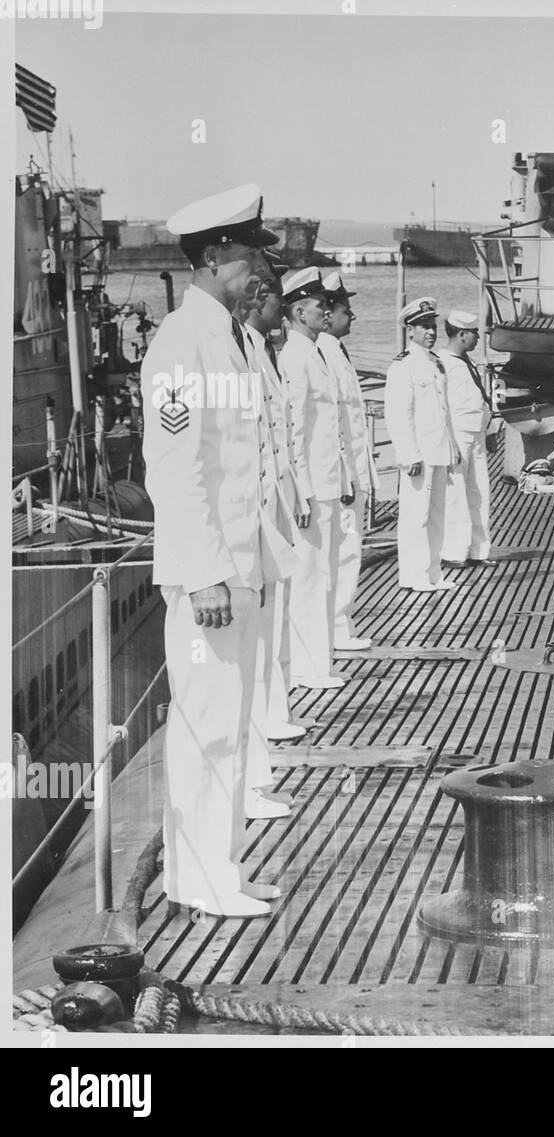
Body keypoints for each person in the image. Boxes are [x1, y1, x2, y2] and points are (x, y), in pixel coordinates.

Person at [141, 183, 294, 918]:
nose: (258, 267)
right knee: (205, 724)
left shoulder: (235, 336)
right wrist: (204, 574)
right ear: (213, 256)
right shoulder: (180, 342)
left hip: (241, 568)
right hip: (209, 577)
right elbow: (175, 471)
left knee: (231, 722)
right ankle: (198, 877)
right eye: (246, 253)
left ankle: (219, 867)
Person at [243, 257, 310, 808]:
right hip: (249, 525)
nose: (279, 309)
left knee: (272, 630)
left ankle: (271, 718)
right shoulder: (237, 351)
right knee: (250, 646)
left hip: (273, 511)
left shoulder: (262, 353)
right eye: (273, 298)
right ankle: (247, 778)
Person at [282, 267, 358, 689]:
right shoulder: (295, 357)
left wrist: (343, 479)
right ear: (298, 311)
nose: (325, 313)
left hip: (329, 484)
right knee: (310, 580)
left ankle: (320, 663)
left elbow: (332, 429)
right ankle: (306, 669)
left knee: (324, 577)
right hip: (312, 490)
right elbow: (293, 433)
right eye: (318, 307)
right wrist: (302, 494)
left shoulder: (315, 353)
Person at [384, 297, 462, 590]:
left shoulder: (435, 362)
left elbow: (444, 412)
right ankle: (413, 576)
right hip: (419, 454)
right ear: (410, 330)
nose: (430, 332)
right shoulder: (403, 365)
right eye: (424, 327)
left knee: (438, 516)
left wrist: (453, 448)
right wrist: (409, 454)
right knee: (416, 518)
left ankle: (433, 573)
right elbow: (398, 413)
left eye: (432, 326)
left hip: (439, 450)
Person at [318, 270, 374, 650]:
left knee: (348, 552)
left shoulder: (335, 351)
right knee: (341, 553)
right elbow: (332, 424)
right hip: (342, 478)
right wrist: (345, 478)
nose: (350, 316)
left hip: (352, 473)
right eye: (345, 310)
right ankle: (335, 628)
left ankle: (341, 625)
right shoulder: (323, 352)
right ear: (329, 314)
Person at [439, 310, 496, 568]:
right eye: (473, 333)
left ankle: (478, 550)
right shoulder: (442, 362)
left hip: (476, 433)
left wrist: (490, 430)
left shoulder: (466, 361)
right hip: (458, 434)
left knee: (479, 493)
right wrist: (448, 442)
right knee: (456, 495)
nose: (477, 338)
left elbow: (480, 399)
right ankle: (453, 551)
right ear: (461, 334)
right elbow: (442, 408)